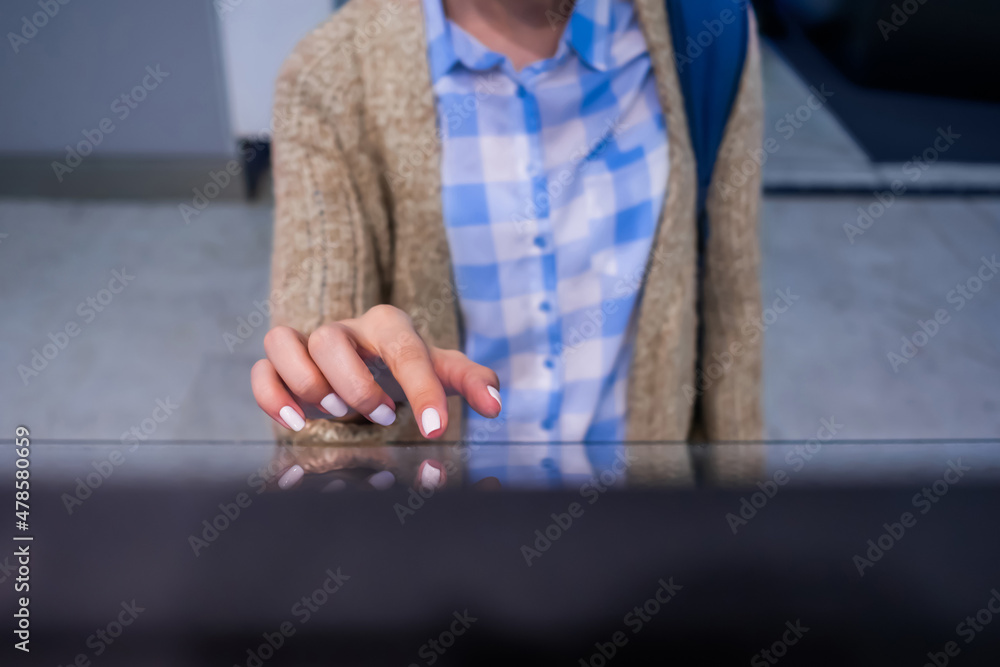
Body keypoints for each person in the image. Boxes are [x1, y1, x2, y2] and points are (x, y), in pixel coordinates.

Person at [251, 0, 764, 490]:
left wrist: (743, 522)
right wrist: (353, 395)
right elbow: (315, 417)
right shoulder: (329, 76)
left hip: (644, 514)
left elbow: (731, 310)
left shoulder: (708, 30)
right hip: (448, 529)